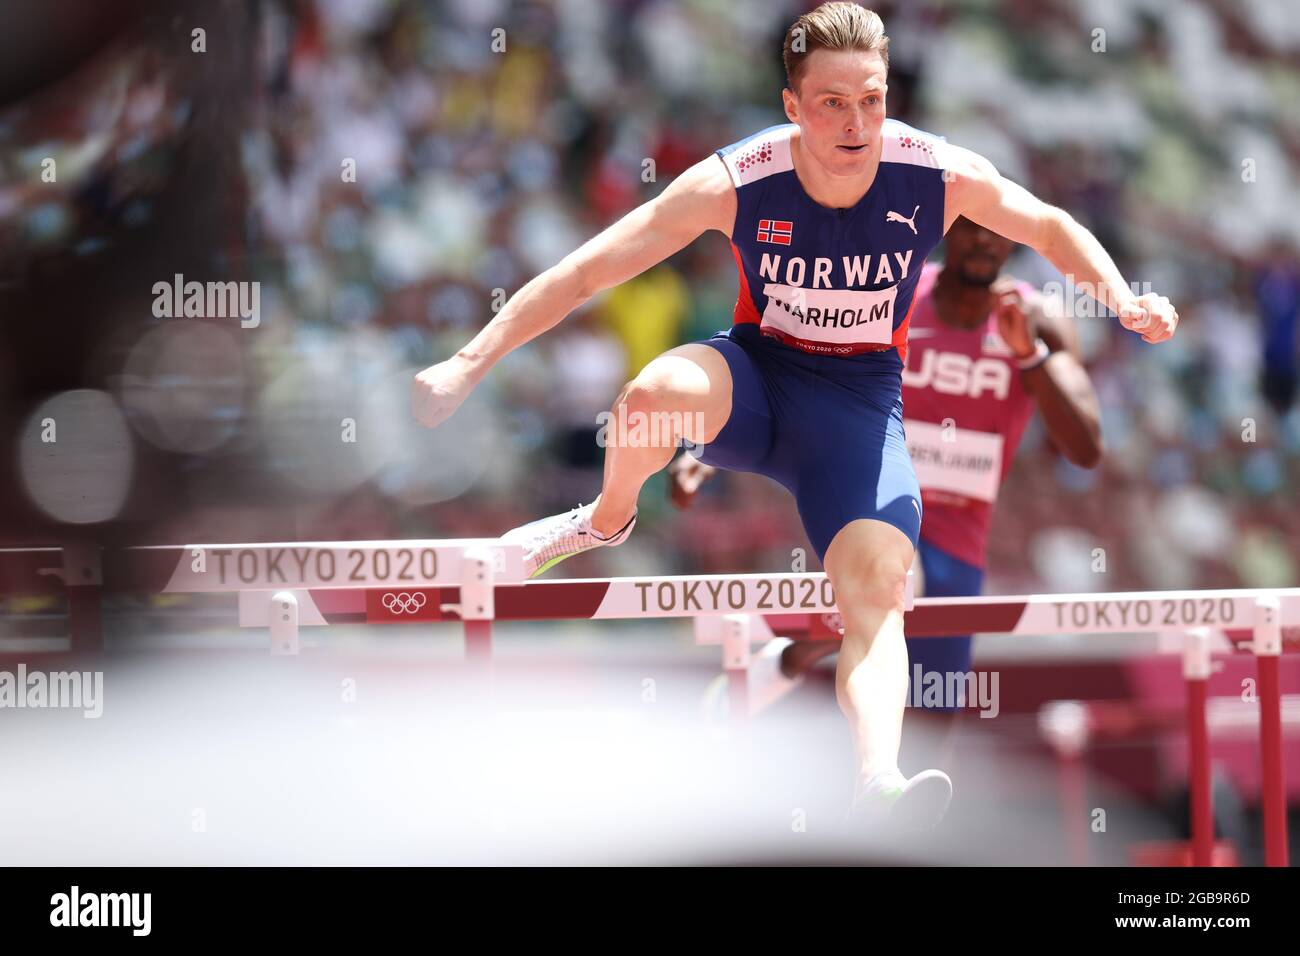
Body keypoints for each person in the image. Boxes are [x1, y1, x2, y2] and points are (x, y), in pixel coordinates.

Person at [412, 2, 1178, 828]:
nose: (857, 124)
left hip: (855, 410)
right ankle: (604, 520)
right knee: (648, 399)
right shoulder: (738, 180)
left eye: (872, 100)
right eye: (832, 103)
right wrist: (467, 362)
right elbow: (586, 272)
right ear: (791, 106)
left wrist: (1122, 299)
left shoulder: (937, 172)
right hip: (757, 377)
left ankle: (877, 773)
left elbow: (1053, 227)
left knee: (881, 589)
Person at [671, 215, 1103, 775]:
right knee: (898, 586)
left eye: (998, 231)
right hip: (873, 491)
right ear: (950, 229)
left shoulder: (1035, 317)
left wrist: (1028, 357)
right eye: (971, 227)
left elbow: (1086, 447)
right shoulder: (899, 294)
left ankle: (791, 662)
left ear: (1013, 241)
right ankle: (806, 694)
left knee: (934, 710)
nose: (983, 241)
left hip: (961, 537)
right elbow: (790, 368)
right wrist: (713, 445)